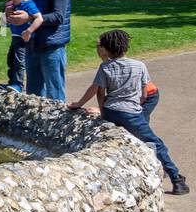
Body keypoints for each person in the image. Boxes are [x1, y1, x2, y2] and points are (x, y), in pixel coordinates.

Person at [68, 30, 188, 195]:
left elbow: (100, 92)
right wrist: (135, 107)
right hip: (131, 112)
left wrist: (100, 110)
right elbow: (144, 93)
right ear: (125, 46)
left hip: (110, 111)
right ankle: (176, 179)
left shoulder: (104, 67)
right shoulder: (139, 66)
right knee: (155, 142)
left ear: (107, 49)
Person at [7, 0, 71, 100]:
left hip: (52, 46)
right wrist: (10, 11)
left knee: (55, 96)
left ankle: (57, 123)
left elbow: (58, 17)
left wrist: (29, 18)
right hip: (32, 44)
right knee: (33, 97)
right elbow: (15, 3)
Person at [0, 0, 42, 93]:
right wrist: (6, 14)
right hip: (15, 36)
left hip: (23, 38)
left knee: (19, 60)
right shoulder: (14, 4)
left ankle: (18, 84)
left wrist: (29, 31)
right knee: (11, 59)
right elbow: (3, 22)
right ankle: (11, 83)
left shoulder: (28, 4)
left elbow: (39, 18)